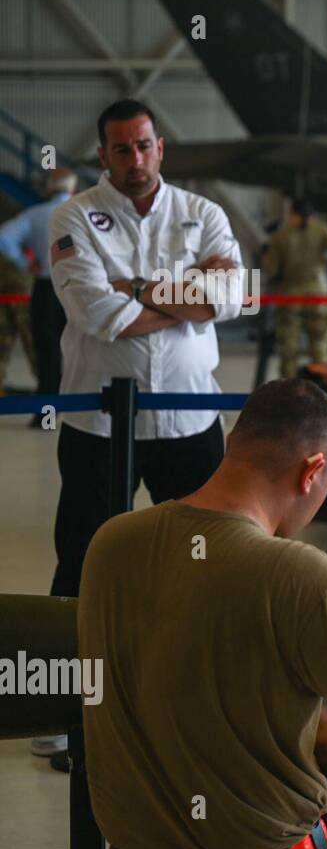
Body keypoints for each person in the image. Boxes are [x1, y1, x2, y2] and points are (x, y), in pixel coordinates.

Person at [78, 378, 327, 849]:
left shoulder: (112, 544)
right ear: (313, 470)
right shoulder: (299, 575)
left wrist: (317, 725)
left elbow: (186, 664)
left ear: (233, 443)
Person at [47, 97, 243, 605]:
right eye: (121, 149)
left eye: (142, 146)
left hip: (189, 419)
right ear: (102, 155)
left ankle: (198, 666)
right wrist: (187, 297)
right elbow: (95, 314)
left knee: (207, 558)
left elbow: (228, 298)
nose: (134, 159)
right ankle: (72, 669)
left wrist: (134, 289)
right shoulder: (74, 218)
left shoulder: (202, 214)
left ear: (160, 148)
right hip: (98, 425)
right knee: (83, 559)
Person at [0, 168, 77, 422]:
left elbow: (4, 238)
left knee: (47, 352)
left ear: (48, 189)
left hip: (45, 288)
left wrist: (25, 262)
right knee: (81, 349)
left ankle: (47, 413)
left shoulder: (34, 215)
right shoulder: (84, 212)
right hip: (78, 288)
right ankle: (80, 410)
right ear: (72, 189)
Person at [265, 198, 327, 378]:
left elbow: (270, 269)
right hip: (317, 292)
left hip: (290, 295)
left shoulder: (281, 236)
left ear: (293, 214)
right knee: (320, 347)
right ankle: (323, 391)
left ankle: (288, 392)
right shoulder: (321, 229)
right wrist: (323, 264)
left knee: (289, 350)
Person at [0, 246, 35, 395]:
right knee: (34, 345)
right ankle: (48, 389)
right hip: (23, 291)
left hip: (20, 291)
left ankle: (48, 389)